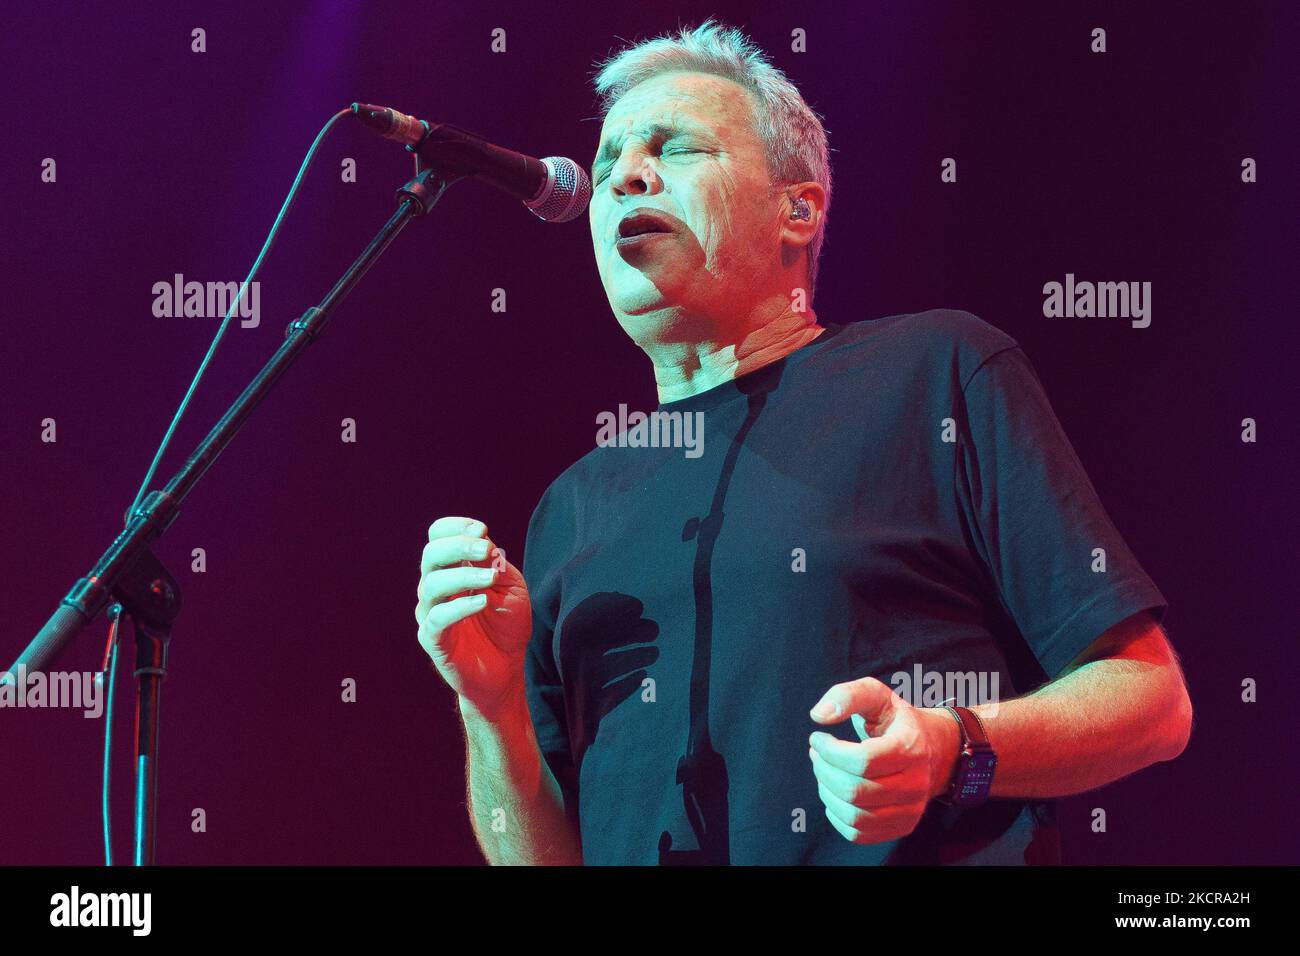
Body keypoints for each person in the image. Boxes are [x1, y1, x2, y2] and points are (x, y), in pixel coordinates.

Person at [414, 20, 1192, 865]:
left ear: (798, 208)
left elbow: (1153, 700)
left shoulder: (935, 372)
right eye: (606, 165)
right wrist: (487, 711)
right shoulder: (569, 507)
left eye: (673, 148)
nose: (624, 173)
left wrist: (949, 747)